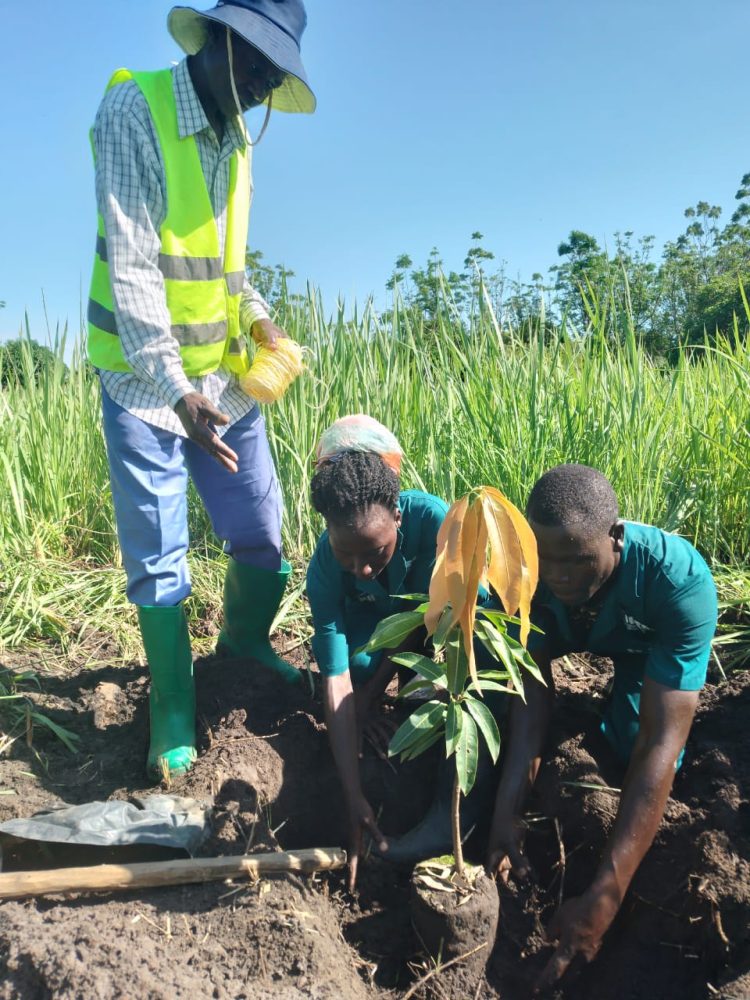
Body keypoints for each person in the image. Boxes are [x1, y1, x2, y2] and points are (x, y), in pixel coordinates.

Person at [87, 0, 315, 780]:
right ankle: (174, 705)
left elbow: (227, 270)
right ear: (215, 38)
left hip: (221, 382)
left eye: (272, 74)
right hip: (144, 383)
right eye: (251, 62)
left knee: (260, 524)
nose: (258, 84)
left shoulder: (238, 141)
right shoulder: (135, 109)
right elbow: (135, 268)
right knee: (160, 555)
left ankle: (247, 641)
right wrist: (177, 390)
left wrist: (262, 326)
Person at [486, 464, 718, 988]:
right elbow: (531, 698)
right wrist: (507, 809)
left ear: (615, 537)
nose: (560, 574)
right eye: (549, 560)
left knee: (629, 745)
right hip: (561, 631)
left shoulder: (677, 582)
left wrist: (605, 897)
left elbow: (661, 742)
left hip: (643, 649)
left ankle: (614, 706)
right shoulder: (524, 573)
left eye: (577, 560)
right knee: (496, 698)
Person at [306, 415, 450, 889]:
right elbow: (334, 676)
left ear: (399, 517)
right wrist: (353, 797)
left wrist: (371, 697)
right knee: (357, 664)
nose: (361, 569)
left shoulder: (436, 524)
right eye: (347, 554)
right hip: (377, 632)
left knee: (431, 683)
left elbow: (433, 616)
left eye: (376, 553)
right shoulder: (325, 569)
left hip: (437, 630)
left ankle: (448, 806)